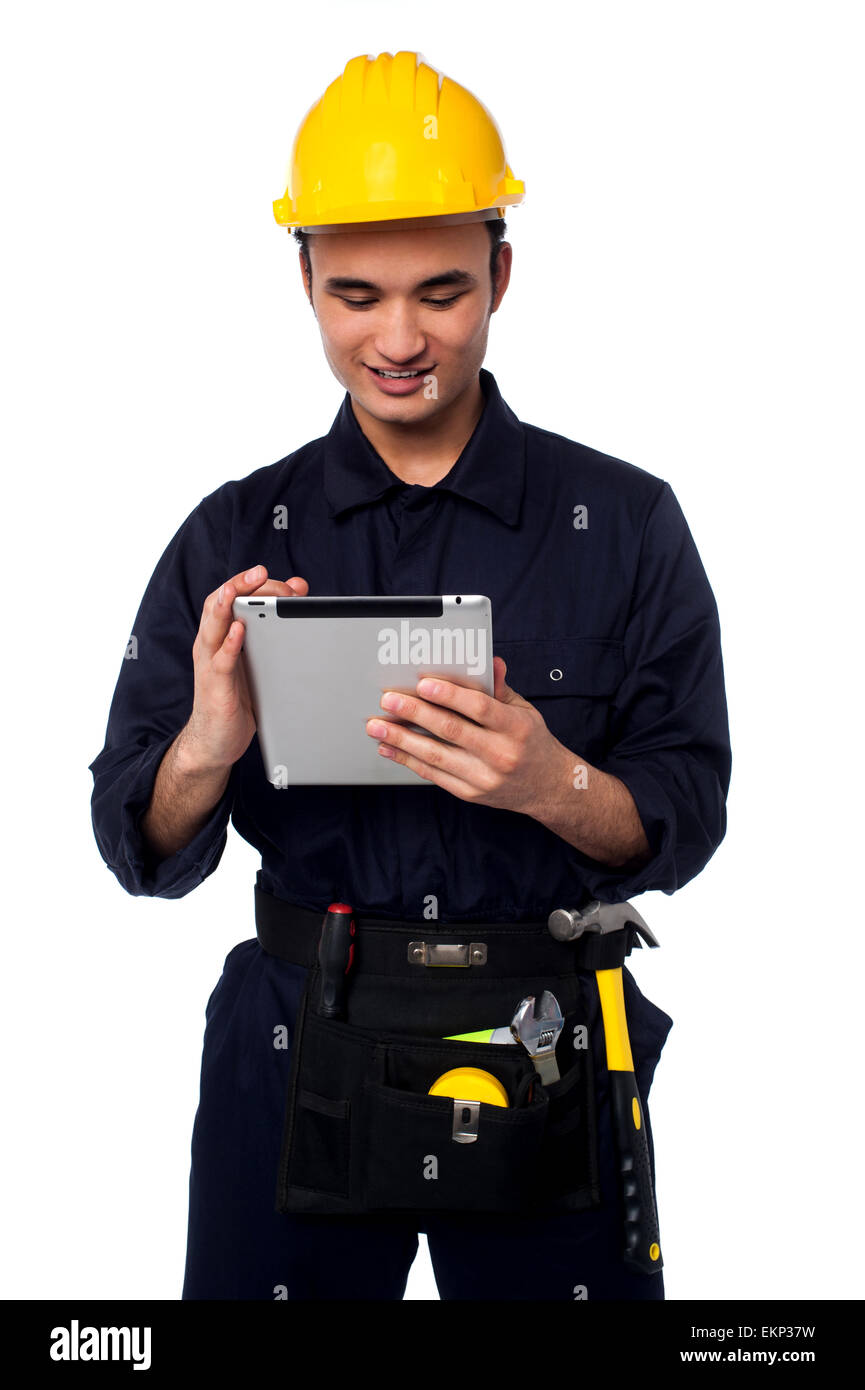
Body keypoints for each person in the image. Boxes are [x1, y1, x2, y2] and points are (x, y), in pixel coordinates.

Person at [88, 50, 731, 1301]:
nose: (397, 340)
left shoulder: (628, 520)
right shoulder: (234, 534)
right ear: (304, 284)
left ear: (501, 270)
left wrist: (554, 783)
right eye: (355, 294)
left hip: (544, 1039)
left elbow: (685, 814)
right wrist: (208, 744)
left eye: (441, 291)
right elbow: (139, 847)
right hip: (293, 1042)